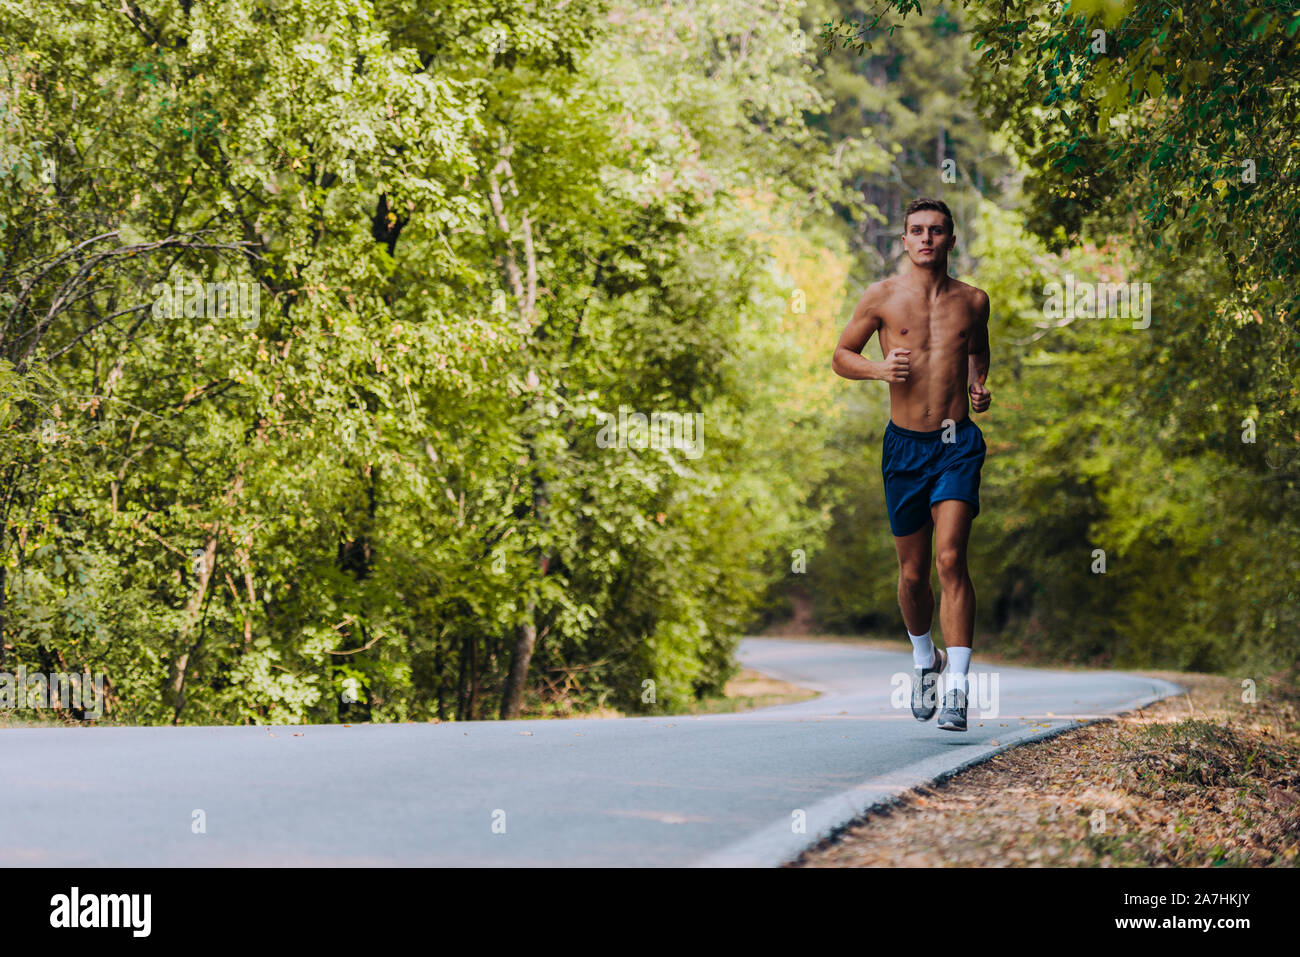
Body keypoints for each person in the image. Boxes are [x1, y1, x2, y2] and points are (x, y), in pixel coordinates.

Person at [831, 198, 991, 732]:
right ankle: (926, 659)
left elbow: (978, 350)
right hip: (904, 447)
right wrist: (878, 369)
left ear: (950, 240)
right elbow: (840, 355)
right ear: (904, 240)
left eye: (937, 231)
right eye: (917, 231)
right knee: (913, 574)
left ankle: (960, 690)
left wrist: (977, 383)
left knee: (950, 560)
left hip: (956, 445)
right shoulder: (881, 297)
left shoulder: (973, 301)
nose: (927, 239)